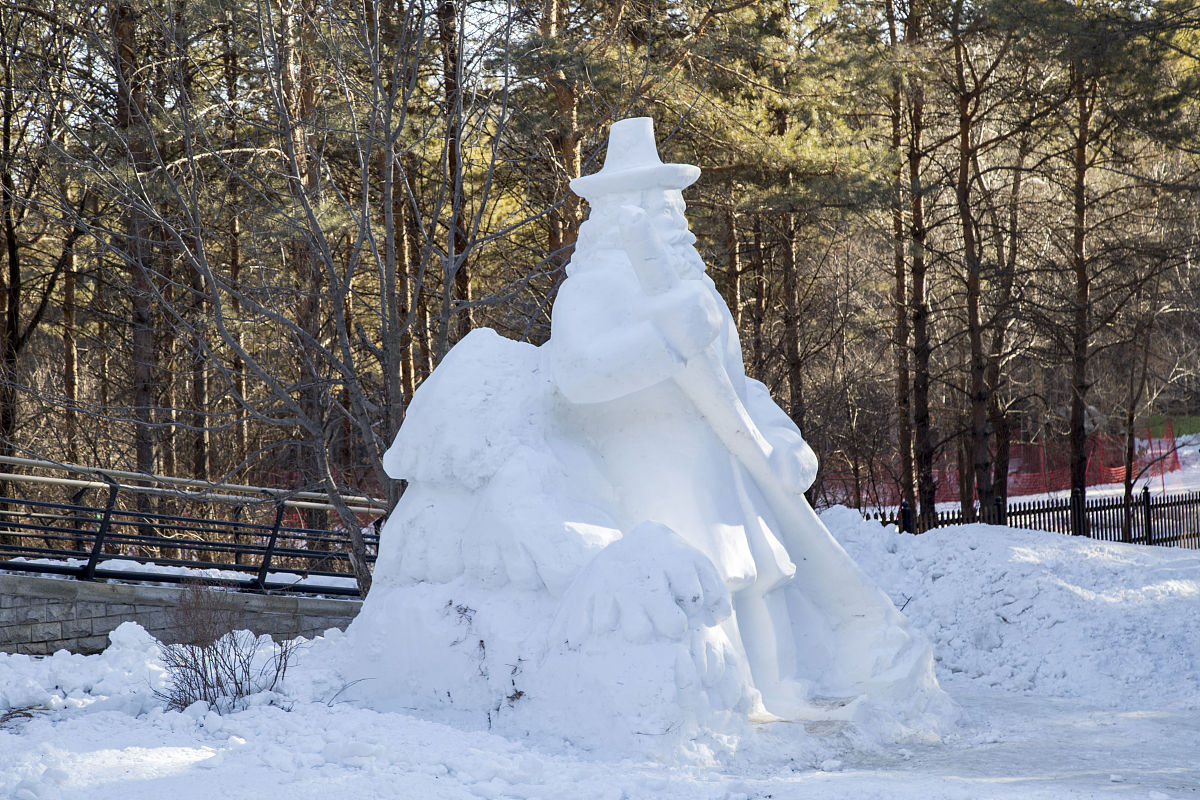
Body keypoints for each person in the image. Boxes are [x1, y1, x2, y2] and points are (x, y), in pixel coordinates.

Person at [547, 117, 930, 719]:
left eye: (670, 198)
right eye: (647, 199)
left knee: (757, 577)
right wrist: (664, 341)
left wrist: (781, 436)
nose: (667, 212)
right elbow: (576, 373)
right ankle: (720, 700)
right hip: (646, 463)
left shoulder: (699, 292)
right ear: (609, 213)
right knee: (703, 581)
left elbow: (736, 382)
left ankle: (776, 690)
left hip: (723, 462)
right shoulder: (590, 292)